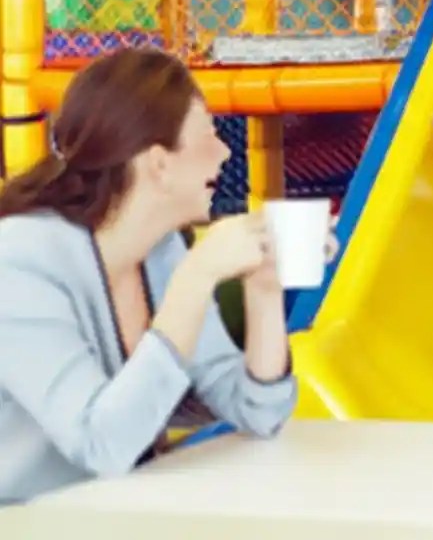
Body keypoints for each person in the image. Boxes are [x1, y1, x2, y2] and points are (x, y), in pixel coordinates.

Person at [0, 48, 337, 505]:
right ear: (158, 163)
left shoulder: (160, 251)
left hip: (113, 514)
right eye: (208, 136)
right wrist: (197, 278)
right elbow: (101, 444)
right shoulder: (20, 262)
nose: (223, 153)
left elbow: (260, 413)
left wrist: (264, 287)